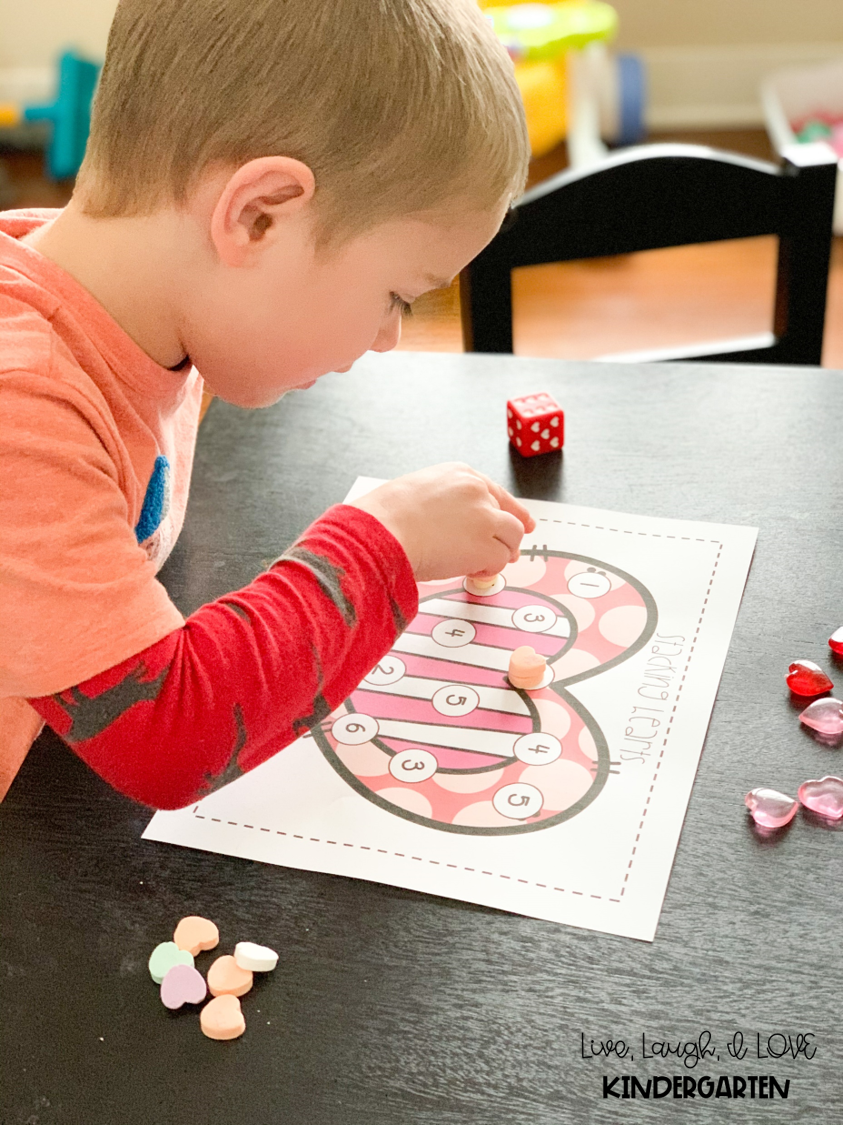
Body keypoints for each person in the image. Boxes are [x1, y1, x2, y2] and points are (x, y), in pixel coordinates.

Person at [0, 0, 534, 809]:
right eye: (396, 294)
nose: (389, 337)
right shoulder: (21, 398)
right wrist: (379, 547)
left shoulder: (141, 307)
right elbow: (167, 737)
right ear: (256, 217)